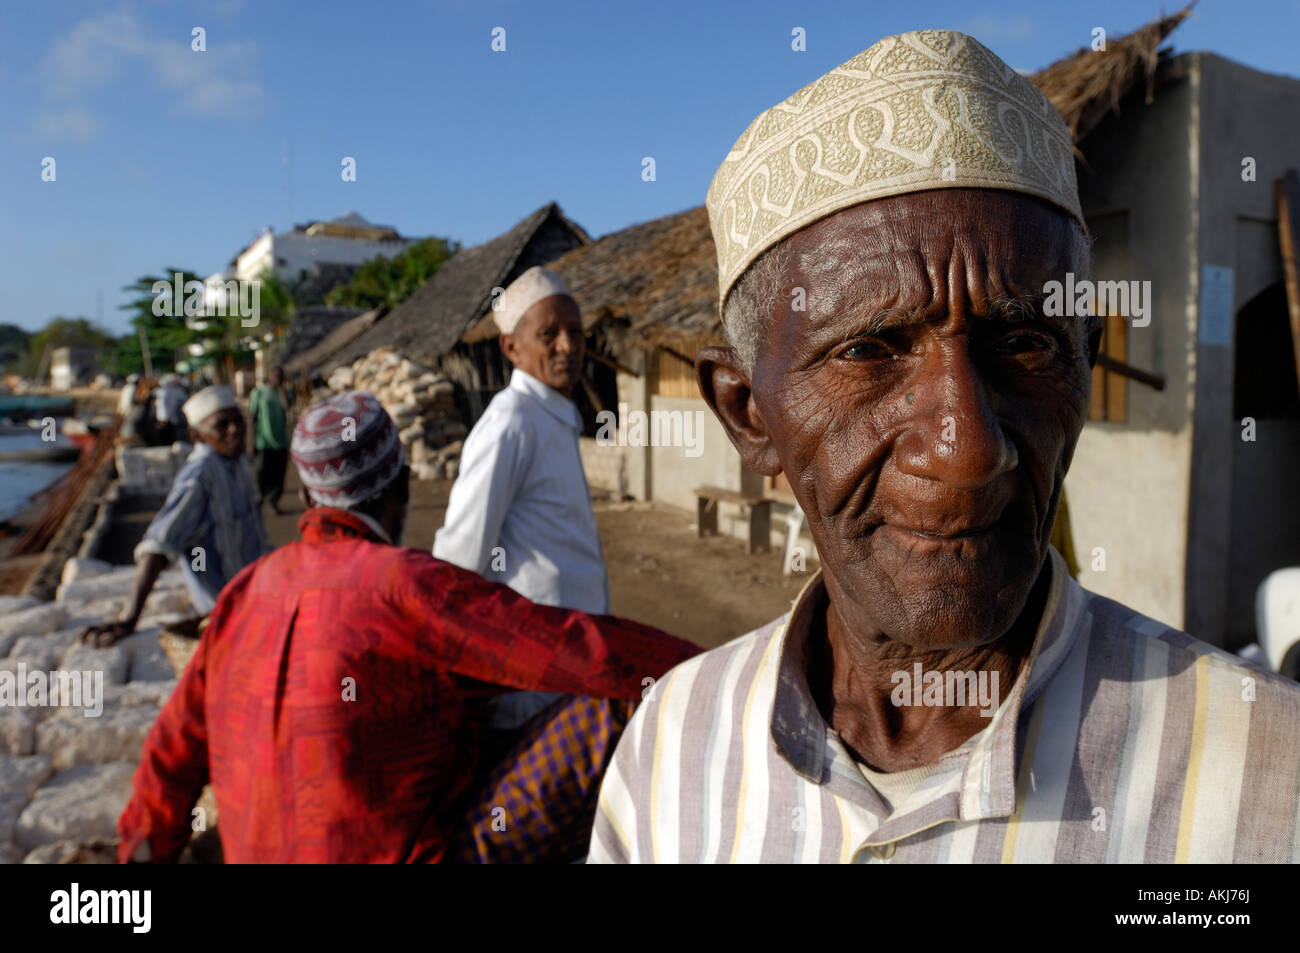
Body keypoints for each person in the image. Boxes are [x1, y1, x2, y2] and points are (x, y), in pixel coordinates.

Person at [589, 29, 1300, 864]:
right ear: (747, 412)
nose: (967, 452)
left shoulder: (1266, 780)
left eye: (1025, 345)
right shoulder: (669, 753)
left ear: (1086, 357)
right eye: (866, 351)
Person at [116, 391, 698, 863]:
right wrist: (723, 663)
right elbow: (584, 652)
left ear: (306, 494)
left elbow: (172, 749)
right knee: (626, 700)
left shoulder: (245, 592)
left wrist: (141, 857)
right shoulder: (404, 585)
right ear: (399, 486)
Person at [435, 267, 607, 727]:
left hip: (574, 652)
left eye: (575, 332)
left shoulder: (552, 413)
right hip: (537, 661)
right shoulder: (511, 420)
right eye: (549, 334)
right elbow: (461, 555)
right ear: (511, 347)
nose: (568, 346)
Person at [83, 385, 267, 647]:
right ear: (197, 436)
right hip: (228, 612)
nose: (234, 430)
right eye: (222, 425)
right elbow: (158, 545)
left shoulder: (237, 463)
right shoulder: (201, 477)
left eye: (238, 421)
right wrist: (129, 617)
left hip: (257, 598)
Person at [248, 365, 290, 514]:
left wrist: (281, 390)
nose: (277, 378)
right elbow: (252, 417)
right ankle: (260, 495)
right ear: (269, 376)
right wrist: (250, 441)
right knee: (261, 471)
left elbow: (287, 407)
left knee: (278, 474)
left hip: (281, 441)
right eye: (275, 376)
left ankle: (273, 501)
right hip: (263, 441)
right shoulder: (258, 393)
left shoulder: (285, 393)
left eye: (280, 376)